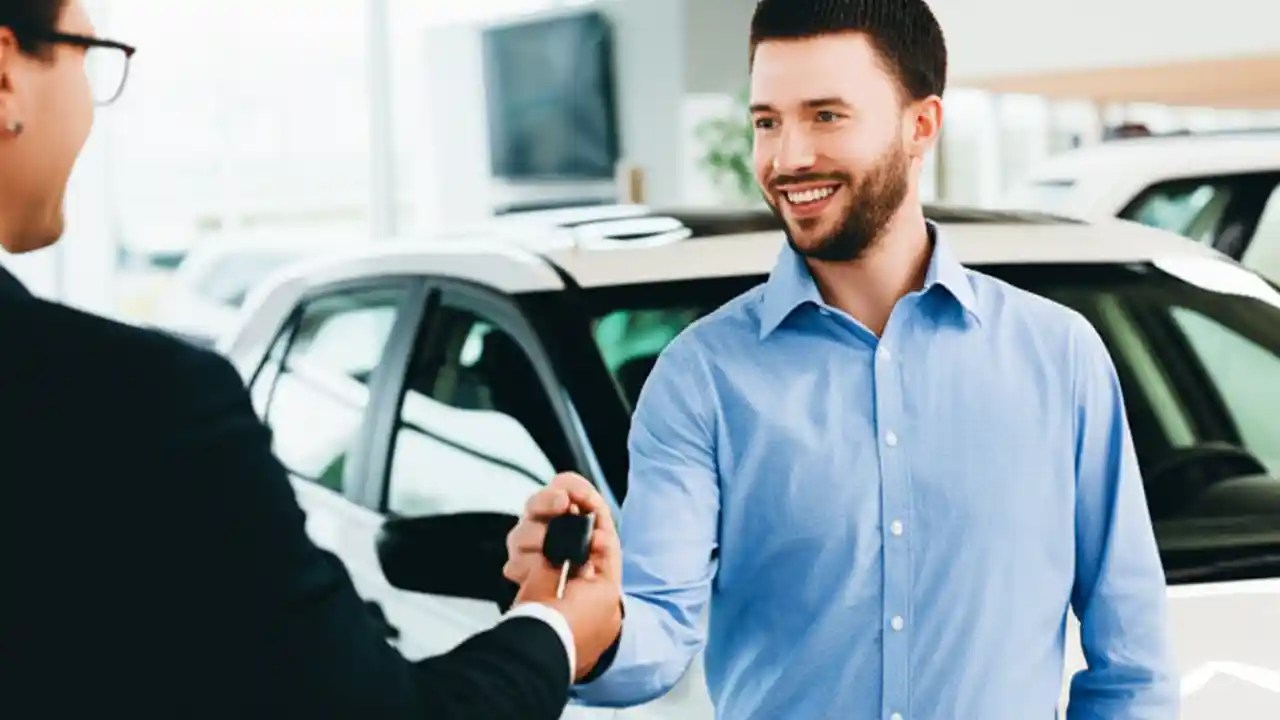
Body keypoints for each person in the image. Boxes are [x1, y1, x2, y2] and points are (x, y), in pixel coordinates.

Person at [503, 0, 1178, 718]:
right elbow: (655, 636)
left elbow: (1132, 669)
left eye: (826, 116)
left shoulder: (1059, 357)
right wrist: (588, 617)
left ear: (921, 126)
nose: (788, 157)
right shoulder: (700, 379)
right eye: (767, 121)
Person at [0, 2, 622, 718]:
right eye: (89, 51)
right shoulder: (143, 407)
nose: (91, 103)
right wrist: (554, 624)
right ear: (8, 71)